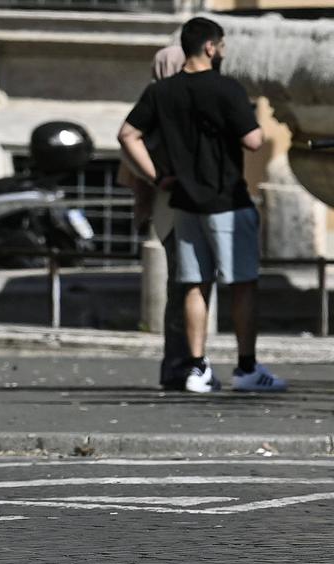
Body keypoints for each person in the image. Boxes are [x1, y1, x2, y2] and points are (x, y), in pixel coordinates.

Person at [118, 17, 286, 393]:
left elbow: (127, 135)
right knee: (242, 285)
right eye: (221, 45)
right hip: (227, 198)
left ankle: (197, 369)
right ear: (210, 47)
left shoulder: (162, 92)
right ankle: (246, 368)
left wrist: (158, 176)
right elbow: (255, 141)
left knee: (195, 284)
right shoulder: (227, 89)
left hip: (185, 203)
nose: (222, 51)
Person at [118, 45, 188, 390]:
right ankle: (181, 364)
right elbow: (128, 142)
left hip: (165, 204)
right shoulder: (162, 101)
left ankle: (180, 363)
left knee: (182, 284)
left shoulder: (157, 99)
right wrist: (160, 175)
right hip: (173, 203)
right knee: (183, 284)